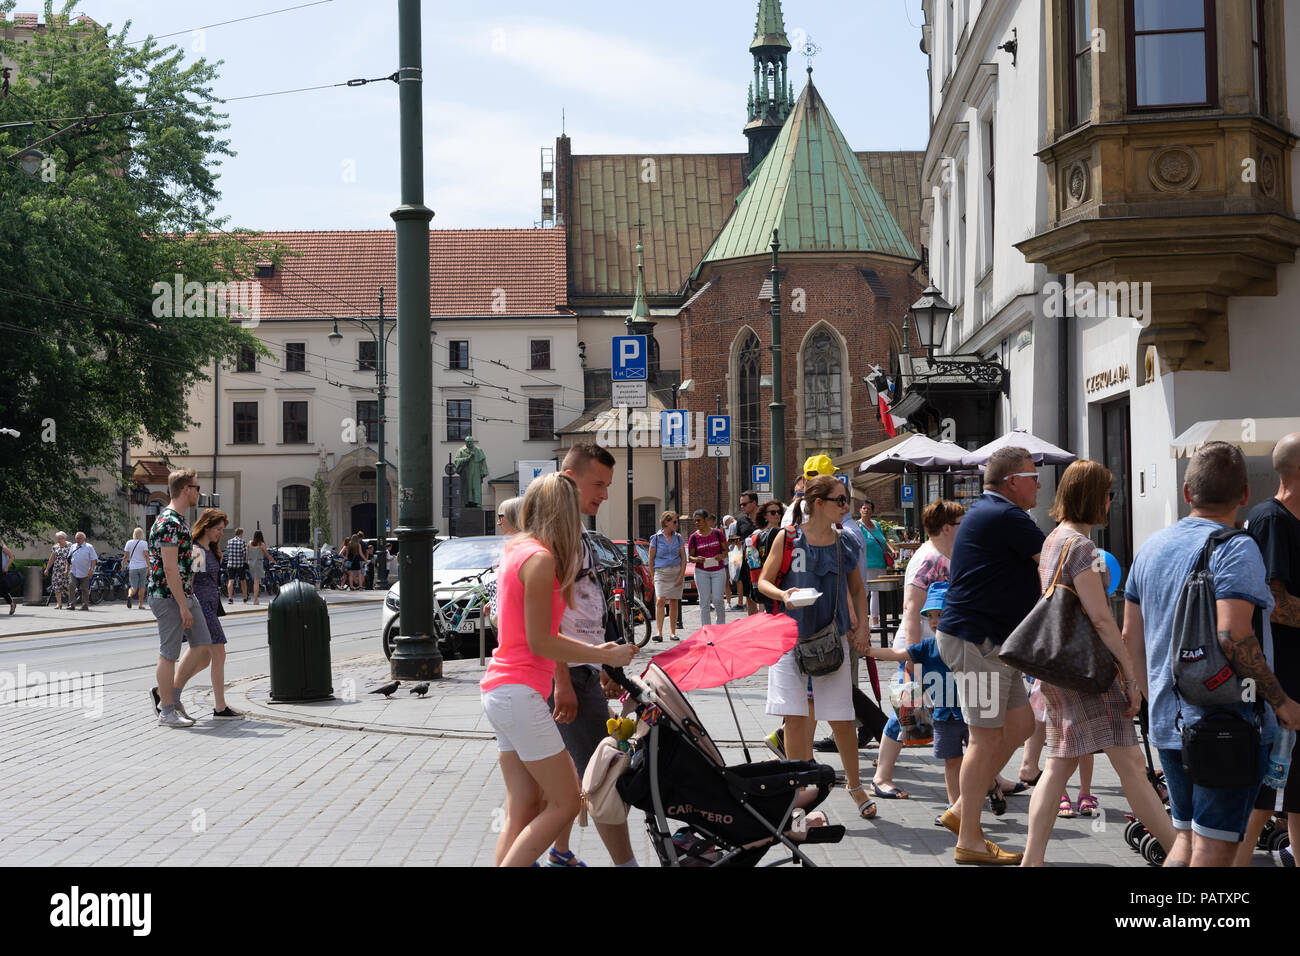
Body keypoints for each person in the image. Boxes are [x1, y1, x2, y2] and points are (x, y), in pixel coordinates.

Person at [1125, 441, 1300, 866]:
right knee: (1213, 849)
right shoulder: (1237, 548)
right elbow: (1234, 635)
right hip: (1226, 726)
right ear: (1244, 495)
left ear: (1187, 493)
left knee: (1185, 841)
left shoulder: (1151, 547)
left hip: (1169, 722)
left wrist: (1148, 699)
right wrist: (1281, 701)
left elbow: (1131, 633)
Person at [1020, 460, 1174, 866]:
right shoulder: (1082, 547)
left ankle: (1031, 860)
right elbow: (1102, 618)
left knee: (1059, 765)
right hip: (1088, 672)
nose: (1110, 500)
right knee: (1129, 762)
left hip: (1059, 669)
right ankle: (1180, 855)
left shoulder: (1054, 539)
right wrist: (1130, 676)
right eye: (1108, 493)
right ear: (1091, 496)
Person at [480, 472, 637, 867]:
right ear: (563, 512)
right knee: (566, 803)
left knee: (525, 803)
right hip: (518, 690)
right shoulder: (541, 559)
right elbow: (541, 642)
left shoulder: (517, 549)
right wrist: (604, 655)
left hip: (500, 690)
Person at [935, 446, 1045, 865]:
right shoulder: (1007, 516)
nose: (1038, 484)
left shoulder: (992, 511)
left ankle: (963, 809)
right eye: (1033, 476)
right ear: (1013, 481)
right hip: (978, 642)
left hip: (994, 643)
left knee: (1020, 723)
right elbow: (1054, 561)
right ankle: (970, 840)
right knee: (982, 742)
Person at [758, 475, 876, 819]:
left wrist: (862, 626)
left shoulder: (844, 542)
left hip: (830, 638)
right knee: (794, 718)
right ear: (819, 503)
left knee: (840, 716)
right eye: (841, 500)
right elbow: (764, 581)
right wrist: (784, 595)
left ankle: (855, 786)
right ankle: (800, 792)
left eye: (847, 500)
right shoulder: (789, 537)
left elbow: (857, 589)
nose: (846, 506)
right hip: (789, 637)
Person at [548, 441, 640, 867]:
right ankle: (626, 864)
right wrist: (562, 679)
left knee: (563, 778)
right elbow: (549, 622)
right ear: (570, 479)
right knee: (600, 776)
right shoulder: (555, 539)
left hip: (582, 669)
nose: (604, 493)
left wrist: (605, 663)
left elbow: (588, 607)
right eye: (598, 484)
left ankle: (557, 854)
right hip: (565, 676)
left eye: (608, 485)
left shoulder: (577, 535)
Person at [870, 499, 965, 800]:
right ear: (947, 528)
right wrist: (914, 666)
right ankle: (881, 776)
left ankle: (991, 778)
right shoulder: (928, 559)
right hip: (922, 650)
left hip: (943, 649)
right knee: (907, 711)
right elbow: (911, 610)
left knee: (960, 710)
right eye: (961, 524)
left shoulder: (949, 553)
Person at [1238, 432, 1300, 864]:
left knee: (1291, 786)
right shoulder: (1271, 520)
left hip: (1290, 674)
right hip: (1280, 677)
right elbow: (1275, 604)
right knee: (1268, 787)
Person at [866, 580, 968, 821]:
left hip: (971, 714)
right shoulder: (928, 646)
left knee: (980, 758)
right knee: (951, 763)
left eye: (940, 614)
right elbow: (898, 654)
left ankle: (989, 788)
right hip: (944, 717)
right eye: (929, 616)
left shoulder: (969, 644)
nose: (933, 621)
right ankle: (954, 809)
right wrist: (867, 650)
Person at [147, 469, 213, 728]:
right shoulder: (169, 523)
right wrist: (184, 606)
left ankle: (168, 697)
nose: (199, 492)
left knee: (203, 649)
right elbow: (169, 568)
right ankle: (167, 712)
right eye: (196, 487)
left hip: (182, 594)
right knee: (168, 654)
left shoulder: (179, 520)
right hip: (168, 597)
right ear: (186, 489)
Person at [188, 509, 244, 720]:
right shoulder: (198, 551)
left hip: (211, 605)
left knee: (204, 660)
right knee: (219, 654)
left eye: (222, 529)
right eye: (218, 529)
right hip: (202, 606)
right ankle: (220, 708)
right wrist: (187, 609)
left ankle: (166, 689)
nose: (221, 533)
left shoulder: (210, 549)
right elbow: (191, 582)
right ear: (207, 527)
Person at [858, 499, 898, 626]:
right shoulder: (858, 526)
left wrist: (891, 550)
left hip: (881, 563)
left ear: (872, 511)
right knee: (865, 593)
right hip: (867, 565)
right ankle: (863, 621)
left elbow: (883, 541)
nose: (866, 510)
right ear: (860, 510)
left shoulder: (876, 524)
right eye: (864, 508)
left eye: (868, 508)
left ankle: (875, 620)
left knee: (877, 593)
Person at [648, 511, 685, 642]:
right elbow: (650, 559)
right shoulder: (656, 538)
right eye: (674, 522)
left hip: (675, 572)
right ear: (666, 522)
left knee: (674, 601)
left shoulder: (679, 537)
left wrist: (681, 575)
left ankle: (672, 632)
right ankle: (659, 632)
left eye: (677, 521)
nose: (676, 524)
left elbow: (683, 559)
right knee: (660, 600)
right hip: (661, 572)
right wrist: (653, 576)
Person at [688, 509, 728, 627]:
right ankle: (706, 628)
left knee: (718, 599)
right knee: (704, 602)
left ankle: (720, 626)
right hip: (701, 572)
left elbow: (726, 550)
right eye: (695, 521)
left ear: (706, 520)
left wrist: (721, 555)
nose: (696, 523)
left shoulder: (717, 533)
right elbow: (690, 557)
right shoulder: (693, 537)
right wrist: (696, 559)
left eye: (699, 520)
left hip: (718, 570)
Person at [731, 492, 759, 614]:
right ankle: (752, 623)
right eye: (740, 504)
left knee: (763, 594)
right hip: (748, 561)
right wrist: (735, 541)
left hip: (764, 559)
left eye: (744, 504)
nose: (742, 507)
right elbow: (736, 539)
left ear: (754, 503)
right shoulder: (741, 521)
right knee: (749, 594)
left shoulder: (765, 517)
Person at [67, 532, 98, 611]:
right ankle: (71, 604)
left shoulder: (89, 547)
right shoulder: (73, 546)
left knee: (84, 589)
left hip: (85, 571)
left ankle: (85, 605)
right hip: (74, 570)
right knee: (71, 585)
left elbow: (94, 559)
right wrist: (66, 569)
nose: (78, 540)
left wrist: (91, 570)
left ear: (84, 539)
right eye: (77, 538)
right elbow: (68, 558)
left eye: (80, 538)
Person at [122, 528, 149, 611]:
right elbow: (146, 555)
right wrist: (149, 567)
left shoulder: (129, 543)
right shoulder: (144, 543)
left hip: (133, 567)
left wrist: (123, 565)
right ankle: (140, 604)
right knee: (142, 585)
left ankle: (130, 595)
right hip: (143, 567)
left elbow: (126, 556)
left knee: (133, 586)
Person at [247, 529, 275, 605]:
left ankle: (255, 598)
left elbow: (247, 554)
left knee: (253, 582)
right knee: (256, 583)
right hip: (258, 563)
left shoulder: (249, 543)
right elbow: (267, 555)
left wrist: (246, 563)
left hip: (251, 563)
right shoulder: (262, 544)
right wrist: (274, 561)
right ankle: (255, 600)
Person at [47, 532, 71, 609]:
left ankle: (71, 602)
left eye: (60, 538)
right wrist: (47, 568)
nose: (58, 540)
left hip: (67, 569)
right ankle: (59, 603)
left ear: (64, 538)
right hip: (57, 569)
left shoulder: (70, 546)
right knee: (56, 586)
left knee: (67, 586)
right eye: (58, 538)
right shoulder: (55, 547)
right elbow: (51, 558)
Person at [224, 527, 248, 603]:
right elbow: (245, 553)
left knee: (231, 580)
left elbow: (228, 552)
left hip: (231, 564)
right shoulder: (242, 542)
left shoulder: (229, 541)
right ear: (241, 533)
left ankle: (230, 598)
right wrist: (246, 561)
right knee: (243, 581)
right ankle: (245, 597)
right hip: (240, 564)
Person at [0, 539, 15, 615]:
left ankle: (12, 603)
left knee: (3, 590)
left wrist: (6, 567)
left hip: (1, 572)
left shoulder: (3, 547)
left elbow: (12, 557)